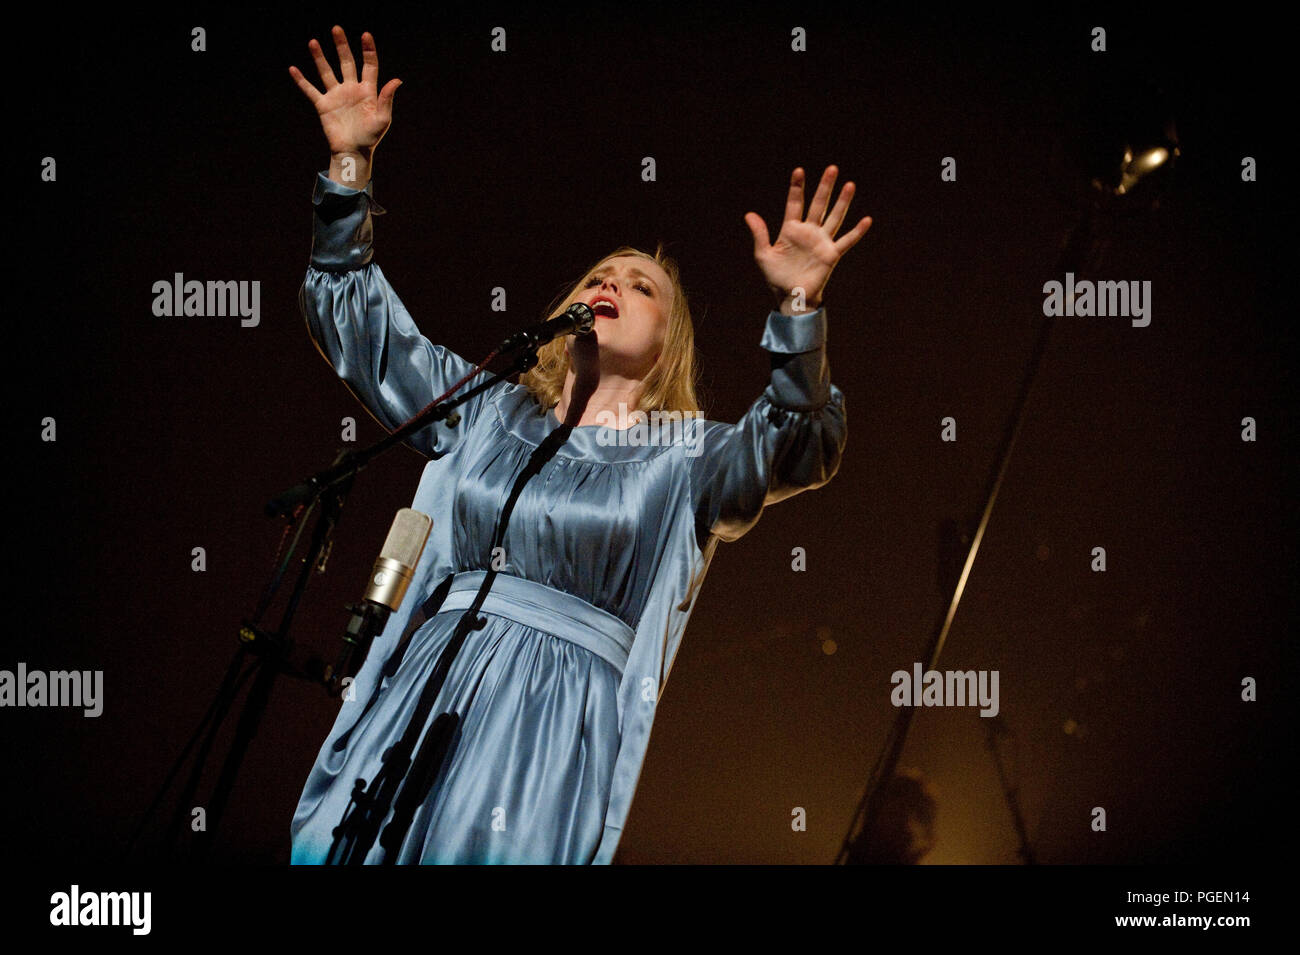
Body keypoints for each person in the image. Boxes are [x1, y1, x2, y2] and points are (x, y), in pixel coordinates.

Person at [286, 26, 871, 864]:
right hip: (428, 677)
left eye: (642, 287)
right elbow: (353, 316)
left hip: (548, 724)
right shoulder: (489, 409)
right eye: (600, 274)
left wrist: (800, 311)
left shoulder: (686, 455)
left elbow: (803, 441)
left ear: (670, 344)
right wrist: (349, 168)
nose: (611, 286)